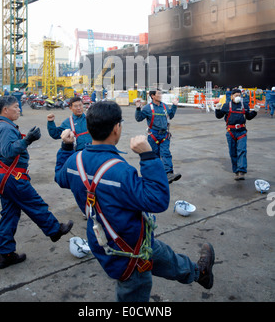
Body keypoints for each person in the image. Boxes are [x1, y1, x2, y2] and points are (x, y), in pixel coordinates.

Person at [54, 101, 215, 302]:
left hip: (105, 236)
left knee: (159, 253)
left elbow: (60, 178)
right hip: (126, 246)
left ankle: (198, 273)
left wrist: (66, 147)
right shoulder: (120, 171)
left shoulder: (73, 161)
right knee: (134, 285)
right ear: (116, 128)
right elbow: (157, 200)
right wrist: (148, 156)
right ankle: (196, 273)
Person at [0, 95, 73, 269]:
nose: (19, 109)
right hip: (13, 178)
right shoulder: (5, 127)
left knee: (10, 215)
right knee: (34, 203)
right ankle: (54, 230)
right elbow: (9, 151)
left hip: (3, 176)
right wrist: (28, 140)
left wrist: (26, 139)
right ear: (5, 110)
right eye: (16, 107)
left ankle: (6, 254)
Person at [135, 89, 181, 183]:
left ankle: (168, 174)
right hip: (153, 136)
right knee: (154, 156)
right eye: (158, 94)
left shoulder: (164, 106)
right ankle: (155, 177)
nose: (160, 95)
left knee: (166, 153)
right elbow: (139, 118)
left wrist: (174, 106)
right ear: (152, 96)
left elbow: (170, 116)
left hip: (164, 135)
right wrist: (138, 108)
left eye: (161, 93)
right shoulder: (148, 108)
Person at [215, 88, 260, 180]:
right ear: (231, 96)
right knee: (233, 152)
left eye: (239, 95)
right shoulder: (227, 105)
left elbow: (249, 117)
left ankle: (241, 171)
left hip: (242, 132)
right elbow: (219, 116)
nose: (238, 97)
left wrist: (255, 111)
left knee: (242, 150)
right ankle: (236, 171)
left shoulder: (244, 105)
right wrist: (217, 109)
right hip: (231, 132)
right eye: (236, 95)